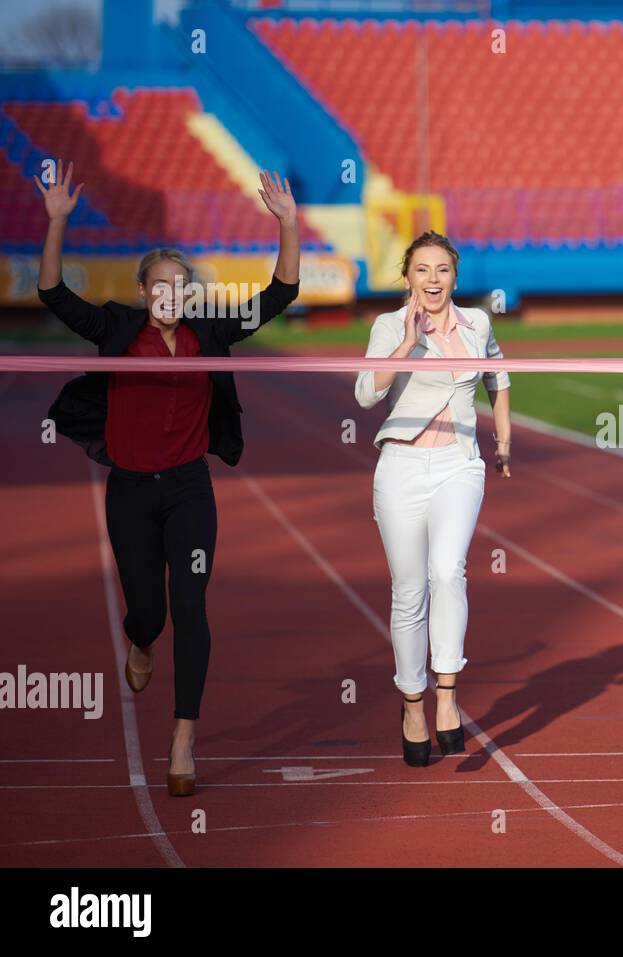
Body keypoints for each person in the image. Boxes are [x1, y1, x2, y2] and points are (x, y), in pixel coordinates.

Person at [36, 162, 300, 796]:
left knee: (191, 604)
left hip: (189, 489)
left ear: (188, 294)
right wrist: (56, 223)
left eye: (180, 286)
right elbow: (53, 295)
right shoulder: (118, 331)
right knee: (148, 613)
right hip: (130, 491)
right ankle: (140, 638)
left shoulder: (208, 333)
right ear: (144, 290)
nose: (170, 295)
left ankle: (183, 738)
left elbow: (278, 296)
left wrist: (287, 225)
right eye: (160, 285)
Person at [355, 230, 512, 767]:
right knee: (408, 591)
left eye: (442, 270)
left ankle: (447, 694)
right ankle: (412, 704)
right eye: (422, 270)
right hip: (399, 466)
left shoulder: (478, 323)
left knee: (447, 571)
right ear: (407, 278)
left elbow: (500, 375)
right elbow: (366, 393)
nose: (432, 280)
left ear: (454, 277)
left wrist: (504, 438)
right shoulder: (387, 325)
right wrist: (406, 341)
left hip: (458, 464)